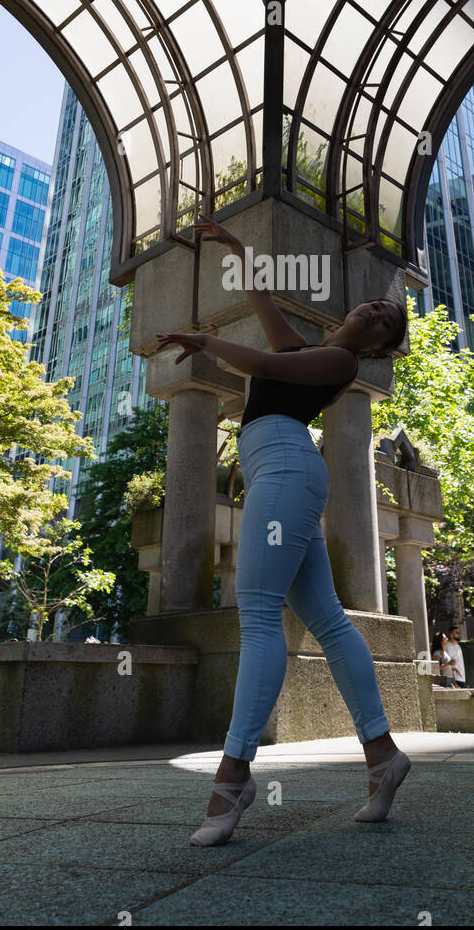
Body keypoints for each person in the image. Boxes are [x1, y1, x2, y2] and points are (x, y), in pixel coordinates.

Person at [155, 213, 411, 845]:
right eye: (374, 306)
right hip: (280, 470)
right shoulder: (307, 349)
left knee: (259, 612)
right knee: (325, 619)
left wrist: (208, 342)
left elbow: (260, 368)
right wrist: (238, 246)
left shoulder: (335, 365)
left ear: (376, 346)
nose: (374, 312)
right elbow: (262, 301)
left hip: (288, 470)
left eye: (385, 321)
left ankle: (234, 771)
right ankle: (383, 755)